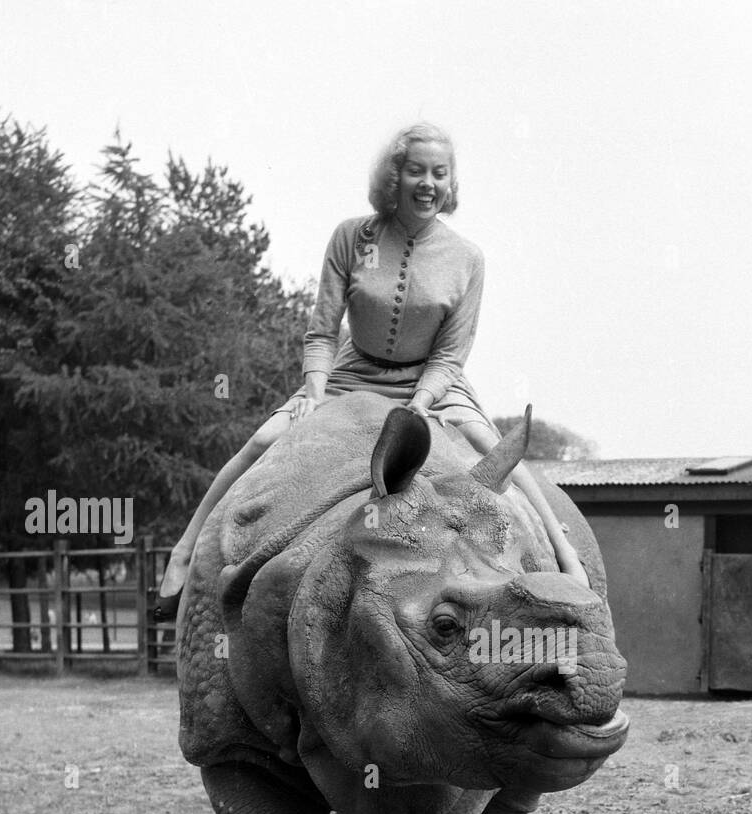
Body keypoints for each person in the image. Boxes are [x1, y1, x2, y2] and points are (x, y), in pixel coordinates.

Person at [155, 121, 584, 618]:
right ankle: (186, 550)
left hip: (432, 382)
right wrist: (314, 393)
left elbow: (450, 354)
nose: (428, 183)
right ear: (393, 176)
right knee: (264, 440)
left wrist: (419, 406)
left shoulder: (468, 258)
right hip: (349, 374)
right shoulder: (350, 236)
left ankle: (564, 553)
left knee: (492, 448)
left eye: (439, 173)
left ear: (450, 183)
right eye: (416, 170)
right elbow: (320, 332)